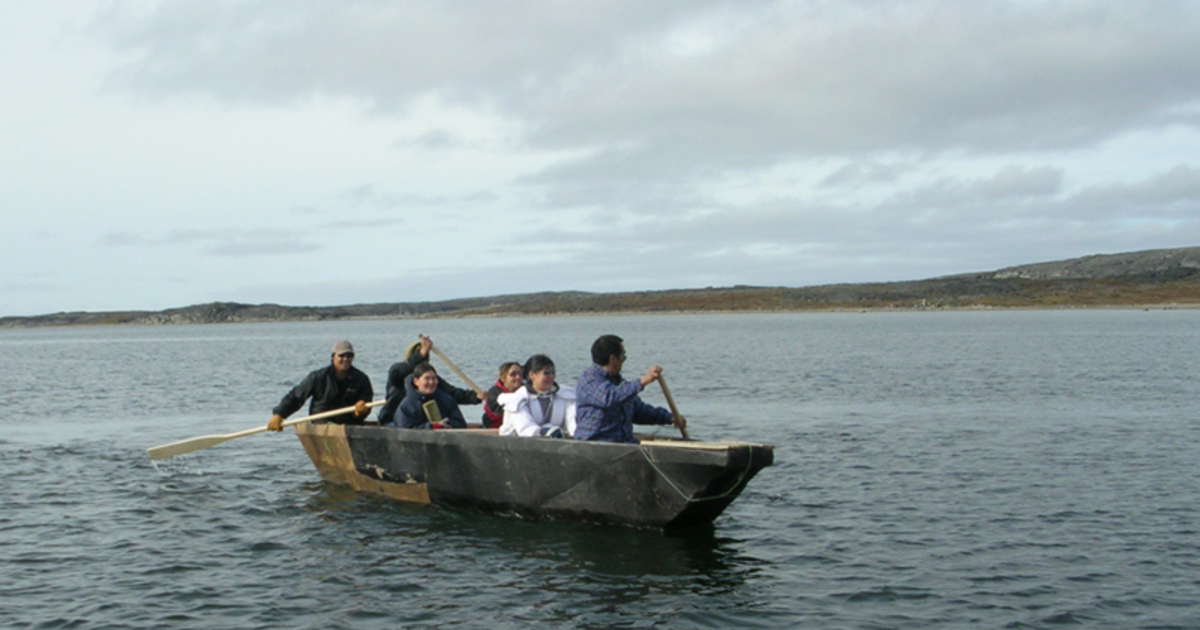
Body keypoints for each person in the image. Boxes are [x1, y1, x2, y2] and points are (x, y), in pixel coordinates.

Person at [573, 334, 686, 443]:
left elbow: (639, 411)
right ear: (613, 359)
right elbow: (609, 397)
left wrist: (670, 418)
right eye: (623, 356)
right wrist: (643, 381)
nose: (624, 360)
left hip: (624, 445)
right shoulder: (588, 380)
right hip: (595, 445)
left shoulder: (620, 383)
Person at [267, 340, 373, 431]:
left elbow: (366, 401)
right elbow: (296, 396)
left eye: (349, 356)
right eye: (341, 355)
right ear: (333, 357)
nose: (345, 359)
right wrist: (279, 414)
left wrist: (360, 410)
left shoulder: (361, 379)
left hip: (349, 425)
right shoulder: (318, 377)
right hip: (322, 424)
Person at [377, 335, 481, 426]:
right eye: (420, 355)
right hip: (393, 422)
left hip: (422, 423)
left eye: (425, 357)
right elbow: (401, 369)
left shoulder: (433, 380)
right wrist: (421, 353)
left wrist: (475, 396)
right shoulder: (398, 374)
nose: (431, 382)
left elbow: (453, 393)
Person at [497, 354, 576, 438]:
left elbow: (573, 424)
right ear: (532, 375)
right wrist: (544, 432)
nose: (551, 376)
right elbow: (525, 429)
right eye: (546, 373)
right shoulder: (518, 398)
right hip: (517, 445)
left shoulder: (565, 395)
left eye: (553, 372)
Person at [391, 362, 467, 429]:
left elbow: (461, 424)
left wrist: (447, 424)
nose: (431, 382)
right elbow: (405, 430)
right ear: (416, 381)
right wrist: (431, 426)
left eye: (434, 378)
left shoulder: (447, 400)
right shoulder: (407, 406)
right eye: (427, 378)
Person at [481, 361, 523, 429]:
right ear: (503, 378)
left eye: (520, 374)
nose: (518, 377)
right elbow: (496, 414)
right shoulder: (493, 393)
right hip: (496, 429)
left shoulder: (526, 391)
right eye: (513, 374)